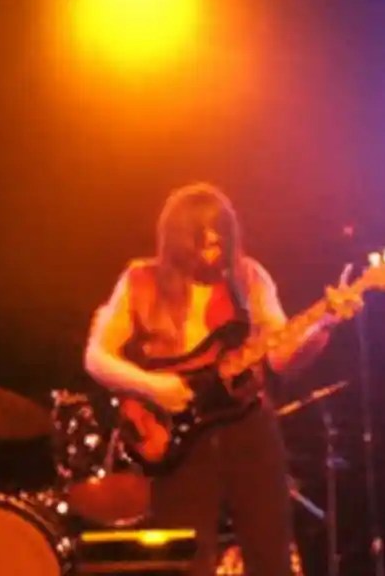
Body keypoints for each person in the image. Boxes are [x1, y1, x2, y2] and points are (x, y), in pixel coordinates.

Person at [84, 182, 360, 576]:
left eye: (220, 240)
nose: (212, 250)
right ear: (177, 238)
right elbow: (96, 356)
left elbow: (281, 358)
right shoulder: (140, 280)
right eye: (201, 241)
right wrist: (154, 388)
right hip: (177, 438)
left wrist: (324, 326)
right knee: (186, 560)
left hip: (247, 425)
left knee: (271, 553)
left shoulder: (249, 278)